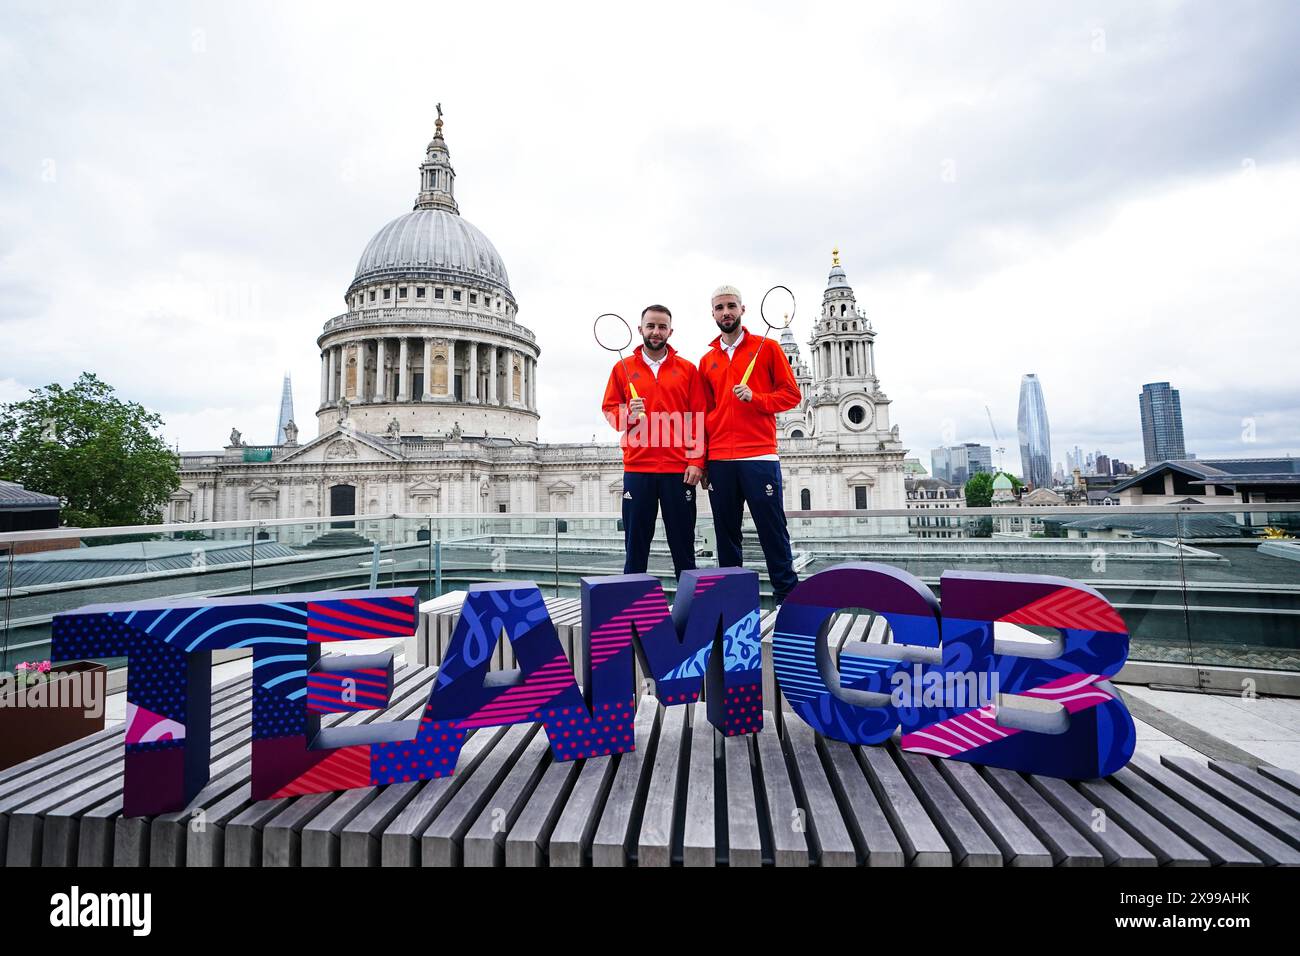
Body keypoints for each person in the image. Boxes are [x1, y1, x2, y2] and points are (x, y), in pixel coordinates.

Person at [698, 285, 803, 604]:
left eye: (731, 306)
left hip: (759, 456)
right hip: (719, 460)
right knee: (726, 536)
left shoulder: (768, 348)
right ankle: (733, 602)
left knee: (773, 532)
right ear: (712, 314)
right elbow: (703, 412)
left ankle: (788, 600)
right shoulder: (706, 360)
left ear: (742, 309)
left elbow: (792, 395)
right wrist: (702, 460)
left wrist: (756, 398)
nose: (726, 312)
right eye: (720, 307)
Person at [601, 304, 708, 578]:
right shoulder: (622, 368)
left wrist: (696, 461)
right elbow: (610, 412)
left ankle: (688, 605)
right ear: (640, 329)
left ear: (670, 331)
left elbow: (697, 417)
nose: (656, 332)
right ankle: (632, 604)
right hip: (638, 470)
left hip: (679, 471)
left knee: (684, 549)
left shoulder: (688, 369)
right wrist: (628, 413)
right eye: (651, 326)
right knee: (636, 550)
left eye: (662, 327)